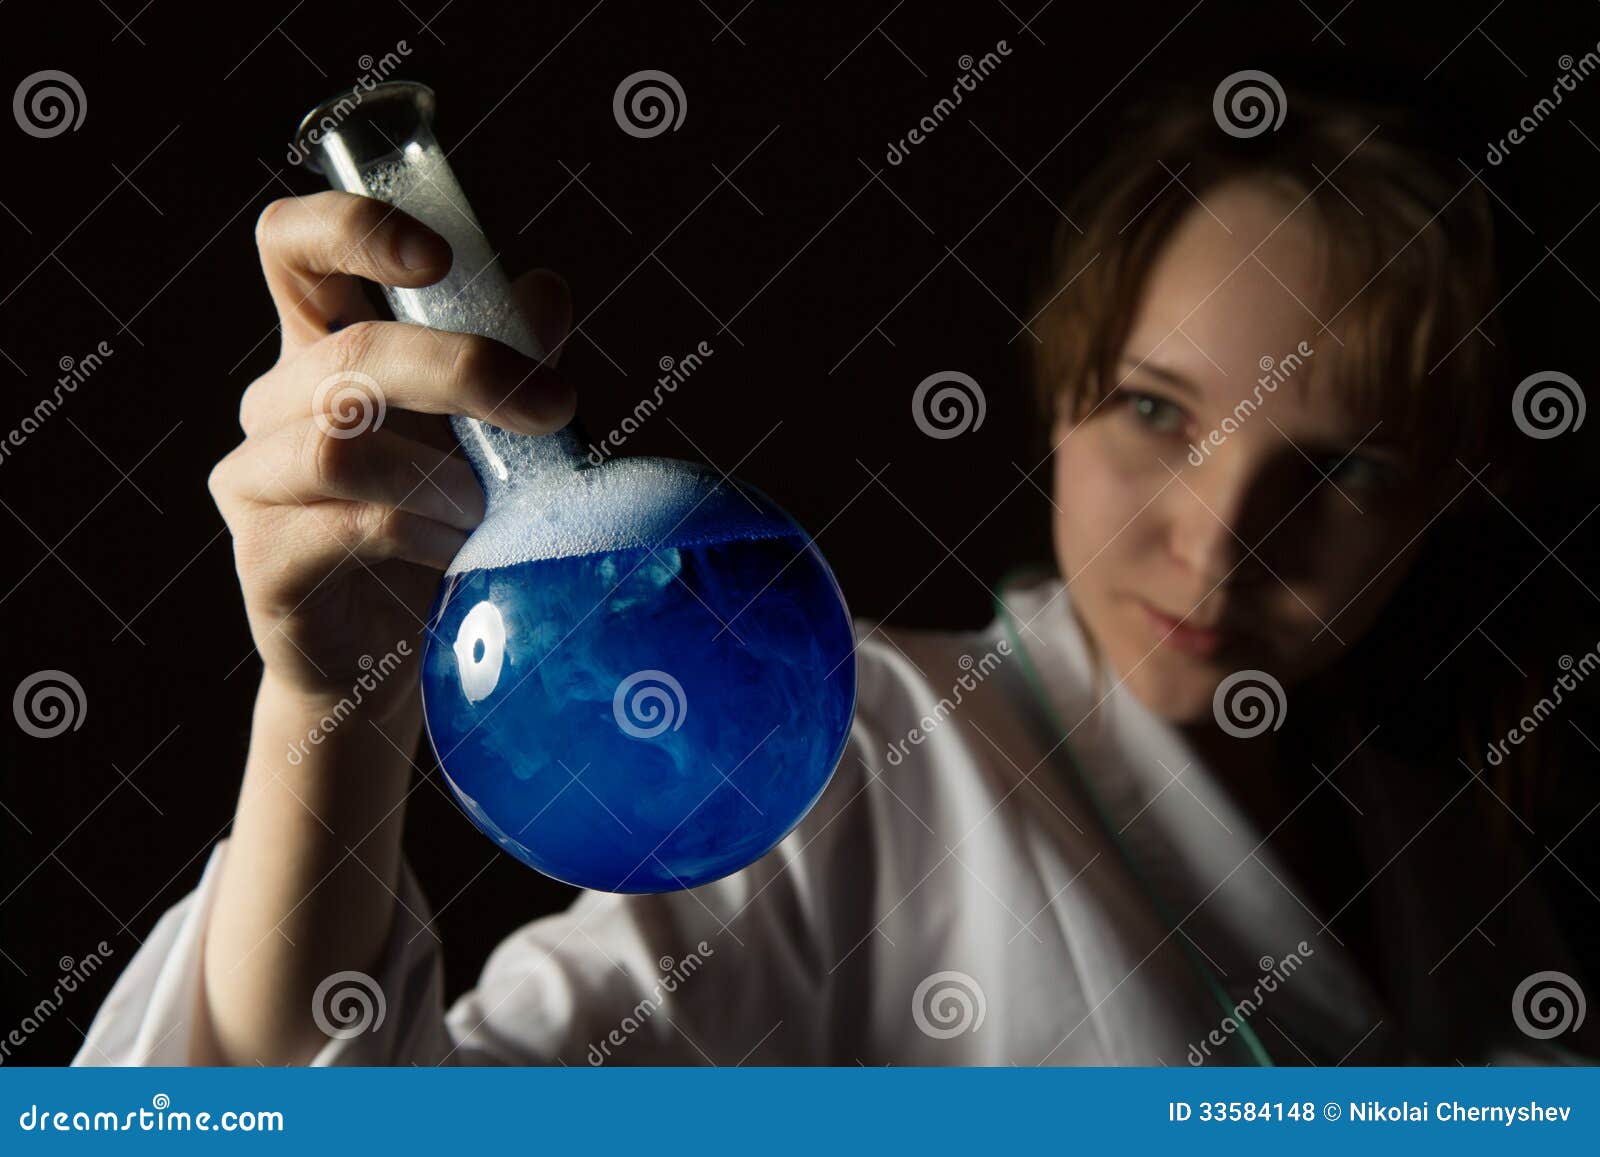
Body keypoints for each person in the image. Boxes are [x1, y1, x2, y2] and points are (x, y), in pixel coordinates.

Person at [77, 82, 1597, 1066]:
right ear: (1059, 381)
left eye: (1340, 471)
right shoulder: (856, 752)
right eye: (1154, 410)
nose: (1216, 542)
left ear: (1456, 490)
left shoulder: (1450, 846)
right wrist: (327, 706)